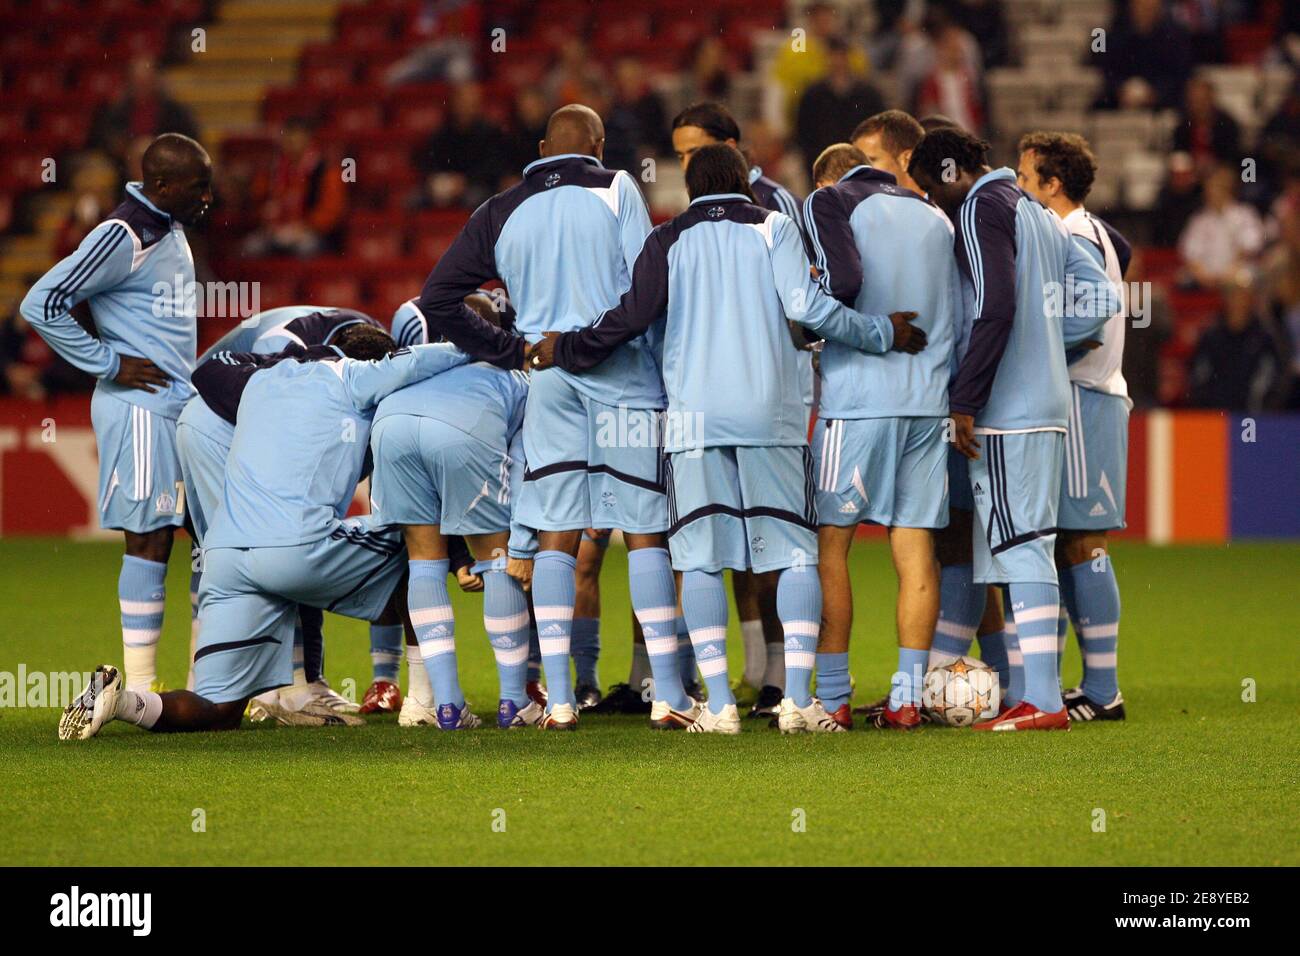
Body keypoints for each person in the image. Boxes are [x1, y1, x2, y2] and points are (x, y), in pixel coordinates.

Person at [529, 143, 928, 734]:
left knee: (700, 559)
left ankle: (718, 705)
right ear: (745, 181)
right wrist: (878, 333)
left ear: (690, 186)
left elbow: (630, 318)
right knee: (794, 553)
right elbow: (805, 305)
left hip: (692, 422)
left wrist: (566, 346)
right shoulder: (775, 227)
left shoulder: (666, 241)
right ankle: (796, 700)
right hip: (772, 416)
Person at [414, 104, 684, 731]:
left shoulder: (499, 210)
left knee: (557, 534)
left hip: (549, 381)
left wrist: (512, 349)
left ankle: (559, 700)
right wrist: (590, 342)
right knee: (643, 531)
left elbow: (439, 299)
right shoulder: (618, 187)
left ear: (540, 147)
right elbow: (646, 290)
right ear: (597, 144)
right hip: (622, 378)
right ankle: (668, 694)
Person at [58, 331, 470, 739]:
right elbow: (424, 359)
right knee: (416, 537)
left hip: (226, 559)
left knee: (219, 710)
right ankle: (423, 701)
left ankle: (122, 701)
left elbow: (208, 372)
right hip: (296, 548)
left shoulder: (261, 381)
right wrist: (500, 346)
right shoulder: (355, 376)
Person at [909, 127, 1119, 731]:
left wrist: (966, 399)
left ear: (950, 174)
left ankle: (1045, 703)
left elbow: (994, 306)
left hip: (1006, 411)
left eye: (930, 189)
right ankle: (1030, 691)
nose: (932, 202)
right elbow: (1102, 297)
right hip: (1050, 404)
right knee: (1012, 546)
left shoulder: (979, 209)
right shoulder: (1037, 210)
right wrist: (1045, 343)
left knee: (1020, 547)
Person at [21, 133, 212, 694]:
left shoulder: (168, 228)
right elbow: (41, 302)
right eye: (198, 184)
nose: (208, 194)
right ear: (161, 185)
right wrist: (105, 361)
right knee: (150, 537)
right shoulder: (121, 234)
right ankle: (143, 687)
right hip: (140, 409)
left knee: (204, 535)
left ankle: (207, 680)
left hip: (177, 404)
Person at [803, 143, 961, 729]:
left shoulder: (831, 201)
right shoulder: (935, 215)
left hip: (858, 404)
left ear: (827, 175)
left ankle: (836, 697)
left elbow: (837, 287)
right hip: (928, 405)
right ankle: (906, 699)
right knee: (916, 550)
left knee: (831, 549)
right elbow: (965, 314)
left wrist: (809, 323)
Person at [180, 307, 400, 718]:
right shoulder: (293, 350)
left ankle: (216, 684)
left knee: (224, 557)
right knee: (288, 538)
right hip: (216, 424)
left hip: (207, 419)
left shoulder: (353, 339)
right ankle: (291, 689)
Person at [670, 101, 809, 717]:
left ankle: (766, 676)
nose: (684, 162)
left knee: (738, 550)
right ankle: (772, 676)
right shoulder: (737, 222)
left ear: (730, 148)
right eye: (676, 152)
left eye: (693, 151)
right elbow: (811, 305)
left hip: (714, 406)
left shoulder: (775, 209)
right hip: (762, 404)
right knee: (766, 545)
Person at [370, 303, 533, 730]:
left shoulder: (418, 365)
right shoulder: (513, 376)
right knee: (498, 561)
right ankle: (514, 702)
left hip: (392, 424)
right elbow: (521, 459)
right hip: (466, 425)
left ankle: (447, 706)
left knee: (423, 562)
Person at [1016, 132, 1133, 721]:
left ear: (1051, 184)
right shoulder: (1099, 233)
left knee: (1083, 540)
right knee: (1065, 542)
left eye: (1024, 174)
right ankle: (1074, 683)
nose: (1016, 185)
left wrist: (1027, 353)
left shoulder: (1068, 234)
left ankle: (1104, 691)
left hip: (1085, 399)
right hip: (1083, 398)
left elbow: (1087, 320)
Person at [794, 38, 886, 167]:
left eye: (841, 56)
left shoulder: (867, 93)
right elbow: (804, 132)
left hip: (859, 162)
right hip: (823, 162)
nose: (837, 61)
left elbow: (878, 127)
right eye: (833, 56)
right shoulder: (813, 94)